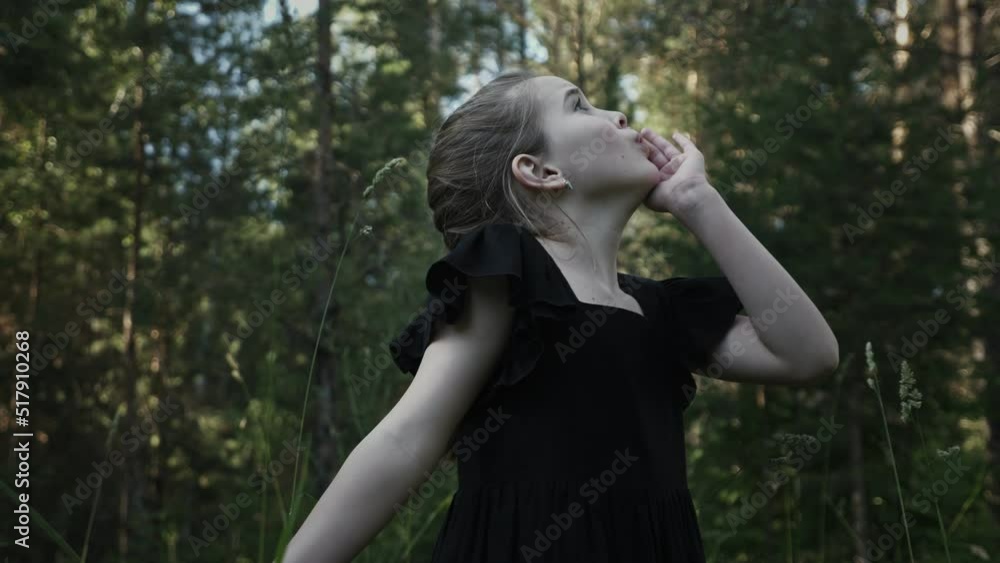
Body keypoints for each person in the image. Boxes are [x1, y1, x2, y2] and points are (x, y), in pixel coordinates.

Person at [283, 70, 839, 563]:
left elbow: (808, 355)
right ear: (539, 170)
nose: (617, 115)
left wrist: (698, 200)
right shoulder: (506, 275)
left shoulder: (660, 310)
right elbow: (408, 438)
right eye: (579, 105)